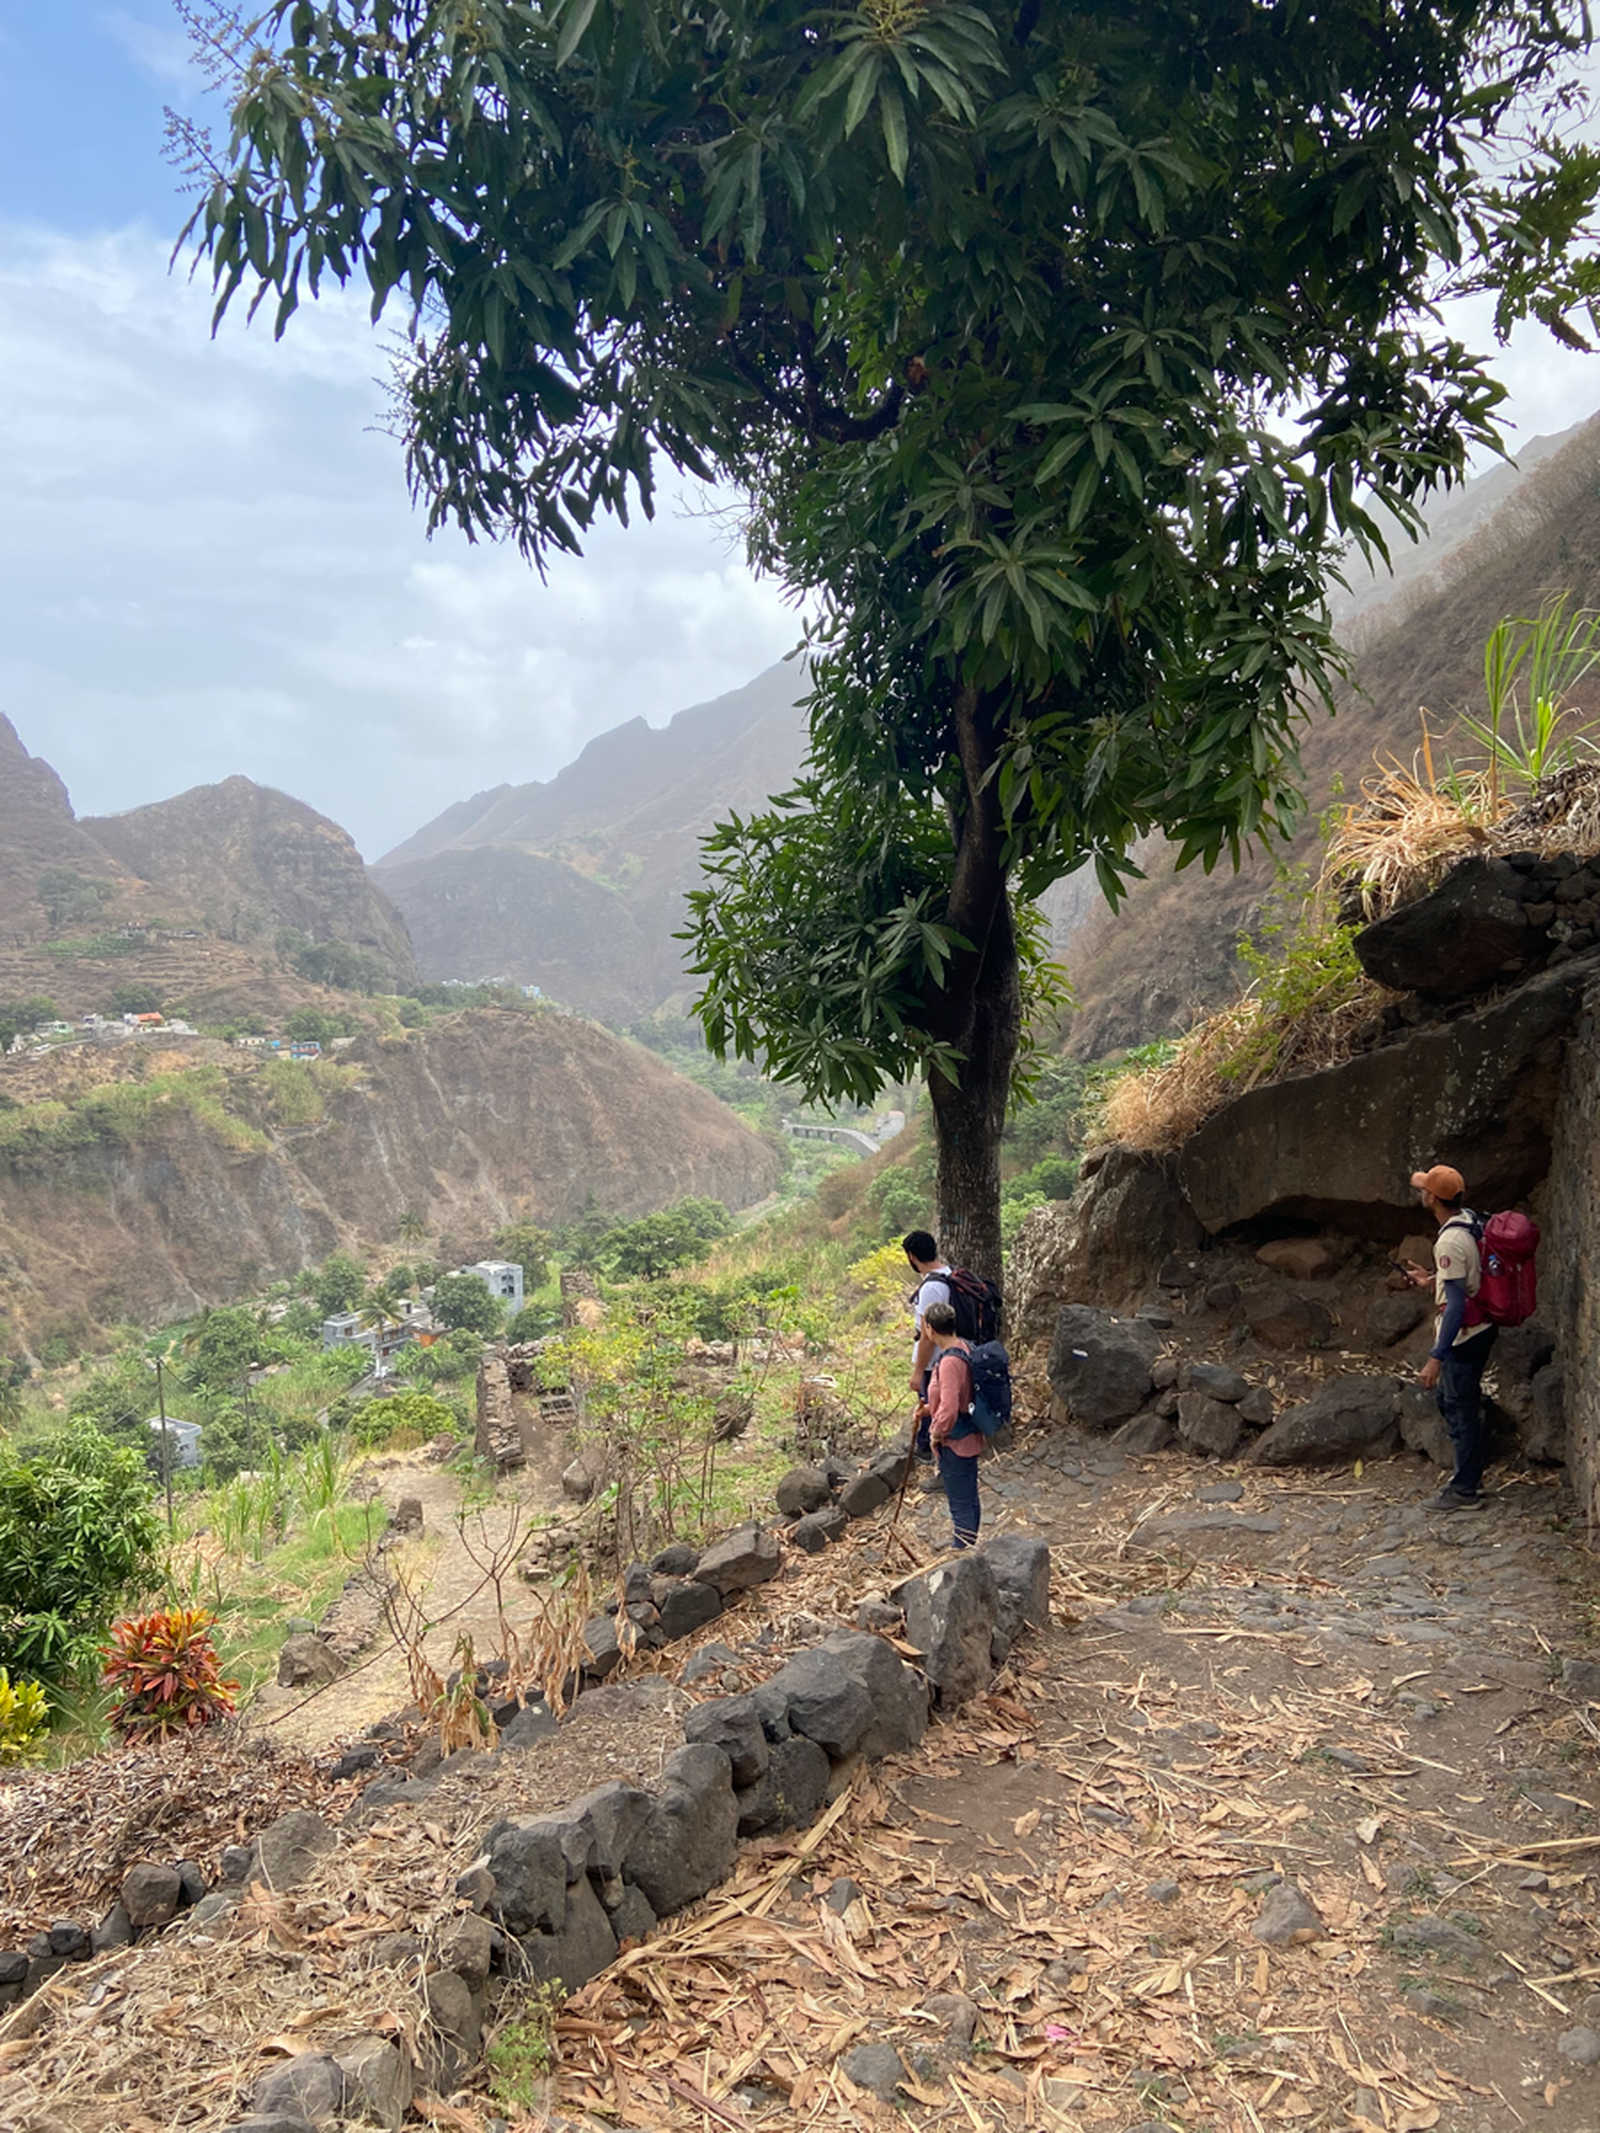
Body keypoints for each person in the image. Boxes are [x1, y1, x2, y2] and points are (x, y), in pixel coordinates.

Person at [1403, 1162, 1496, 1512]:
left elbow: (1456, 1306)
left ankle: (1465, 1489)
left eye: (1424, 1189)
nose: (1420, 1193)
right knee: (1455, 1402)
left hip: (1465, 1335)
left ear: (1432, 1198)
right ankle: (1469, 1477)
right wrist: (1433, 1281)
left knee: (1459, 1408)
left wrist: (1435, 1357)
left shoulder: (1449, 1242)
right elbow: (1466, 1280)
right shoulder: (1468, 1221)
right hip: (1481, 1327)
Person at [920, 1299, 983, 1548]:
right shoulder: (963, 1347)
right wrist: (927, 1410)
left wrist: (935, 1434)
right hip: (969, 1435)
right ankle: (969, 1544)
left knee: (960, 1502)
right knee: (969, 1496)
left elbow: (948, 1408)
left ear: (930, 1329)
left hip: (956, 1442)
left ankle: (962, 1551)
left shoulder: (949, 1363)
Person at [904, 1230, 953, 1476]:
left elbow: (927, 1336)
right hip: (946, 1355)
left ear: (912, 1256)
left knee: (931, 1405)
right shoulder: (948, 1273)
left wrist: (917, 1371)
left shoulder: (931, 1288)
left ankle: (932, 1456)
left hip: (933, 1362)